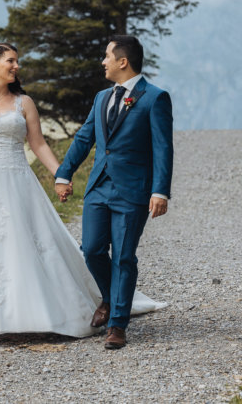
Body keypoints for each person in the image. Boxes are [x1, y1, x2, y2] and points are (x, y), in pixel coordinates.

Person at [0, 42, 163, 344]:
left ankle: (35, 313)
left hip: (16, 181)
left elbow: (38, 144)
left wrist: (60, 175)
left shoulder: (24, 103)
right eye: (11, 61)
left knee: (21, 246)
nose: (16, 66)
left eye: (17, 61)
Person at [55, 35, 173, 349]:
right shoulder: (101, 98)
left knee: (122, 256)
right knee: (91, 250)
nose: (103, 61)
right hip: (98, 187)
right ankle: (109, 298)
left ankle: (117, 324)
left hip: (133, 191)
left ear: (123, 61)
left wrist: (160, 191)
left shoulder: (154, 98)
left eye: (107, 56)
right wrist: (64, 172)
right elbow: (84, 138)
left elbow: (163, 149)